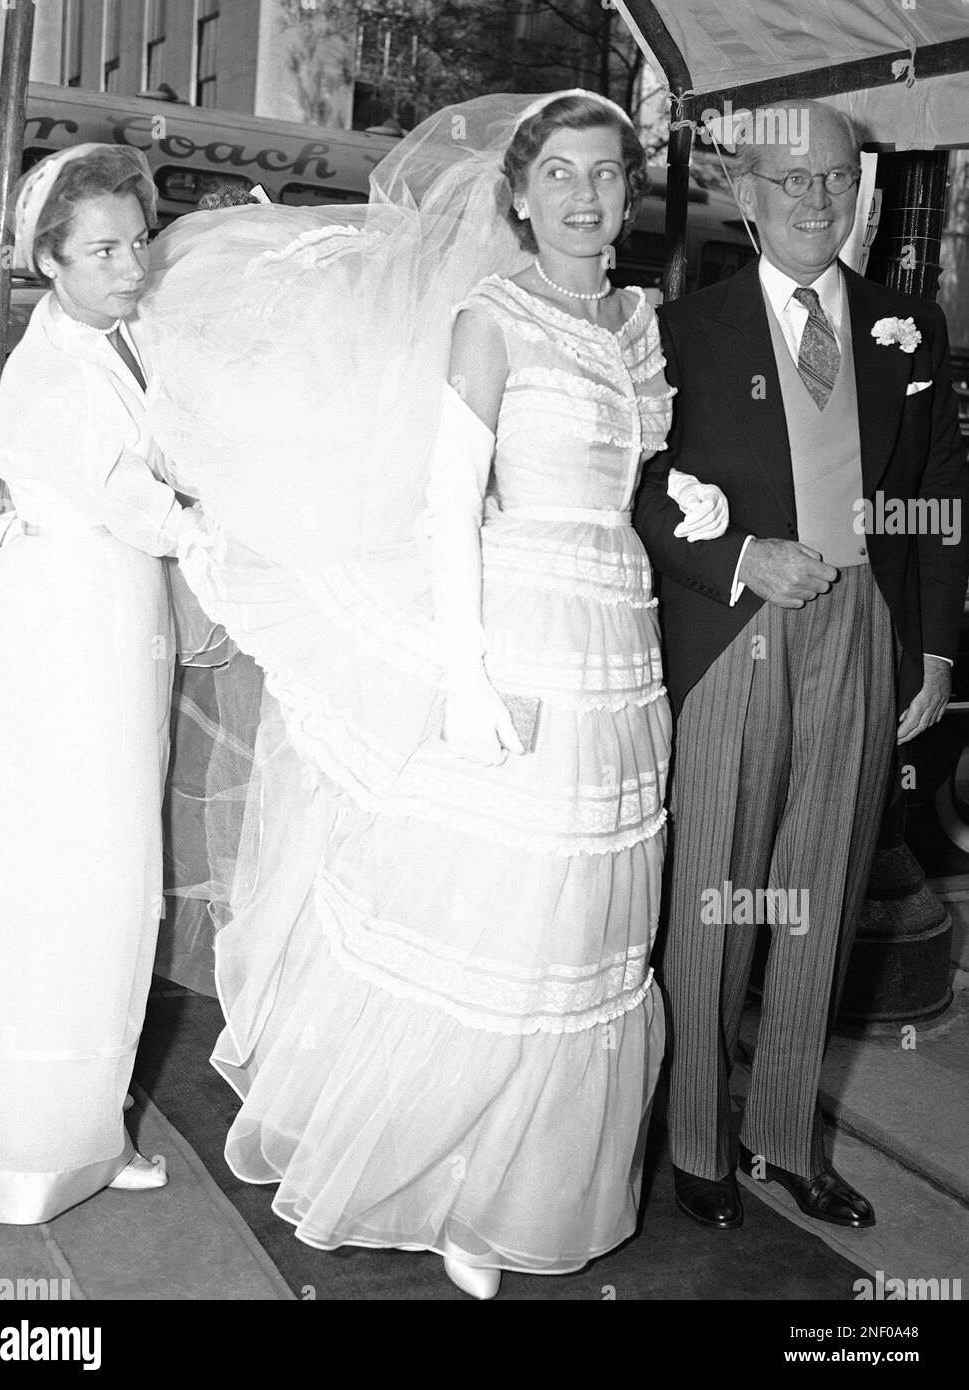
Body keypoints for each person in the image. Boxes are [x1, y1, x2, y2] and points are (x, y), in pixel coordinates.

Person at [142, 91, 728, 1297]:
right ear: (517, 193)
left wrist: (687, 503)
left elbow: (624, 467)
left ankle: (521, 1184)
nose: (583, 195)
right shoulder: (488, 317)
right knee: (500, 913)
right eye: (558, 173)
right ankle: (443, 1182)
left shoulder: (635, 319)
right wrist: (463, 675)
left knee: (587, 923)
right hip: (512, 626)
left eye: (606, 174)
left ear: (629, 191)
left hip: (617, 636)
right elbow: (451, 505)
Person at [633, 100, 969, 1233]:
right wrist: (734, 558)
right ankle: (695, 1138)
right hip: (736, 635)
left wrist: (927, 645)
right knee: (716, 893)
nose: (814, 200)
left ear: (858, 192)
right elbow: (628, 489)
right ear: (744, 193)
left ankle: (780, 1136)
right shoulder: (679, 330)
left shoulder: (904, 327)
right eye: (790, 181)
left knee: (817, 894)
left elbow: (933, 497)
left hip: (863, 628)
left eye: (833, 180)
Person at [0, 144, 203, 1223]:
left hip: (107, 618)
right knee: (66, 876)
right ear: (46, 259)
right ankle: (31, 1147)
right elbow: (141, 507)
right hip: (65, 633)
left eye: (136, 242)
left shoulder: (117, 341)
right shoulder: (52, 371)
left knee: (94, 872)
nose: (128, 264)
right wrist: (246, 532)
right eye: (101, 249)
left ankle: (69, 1125)